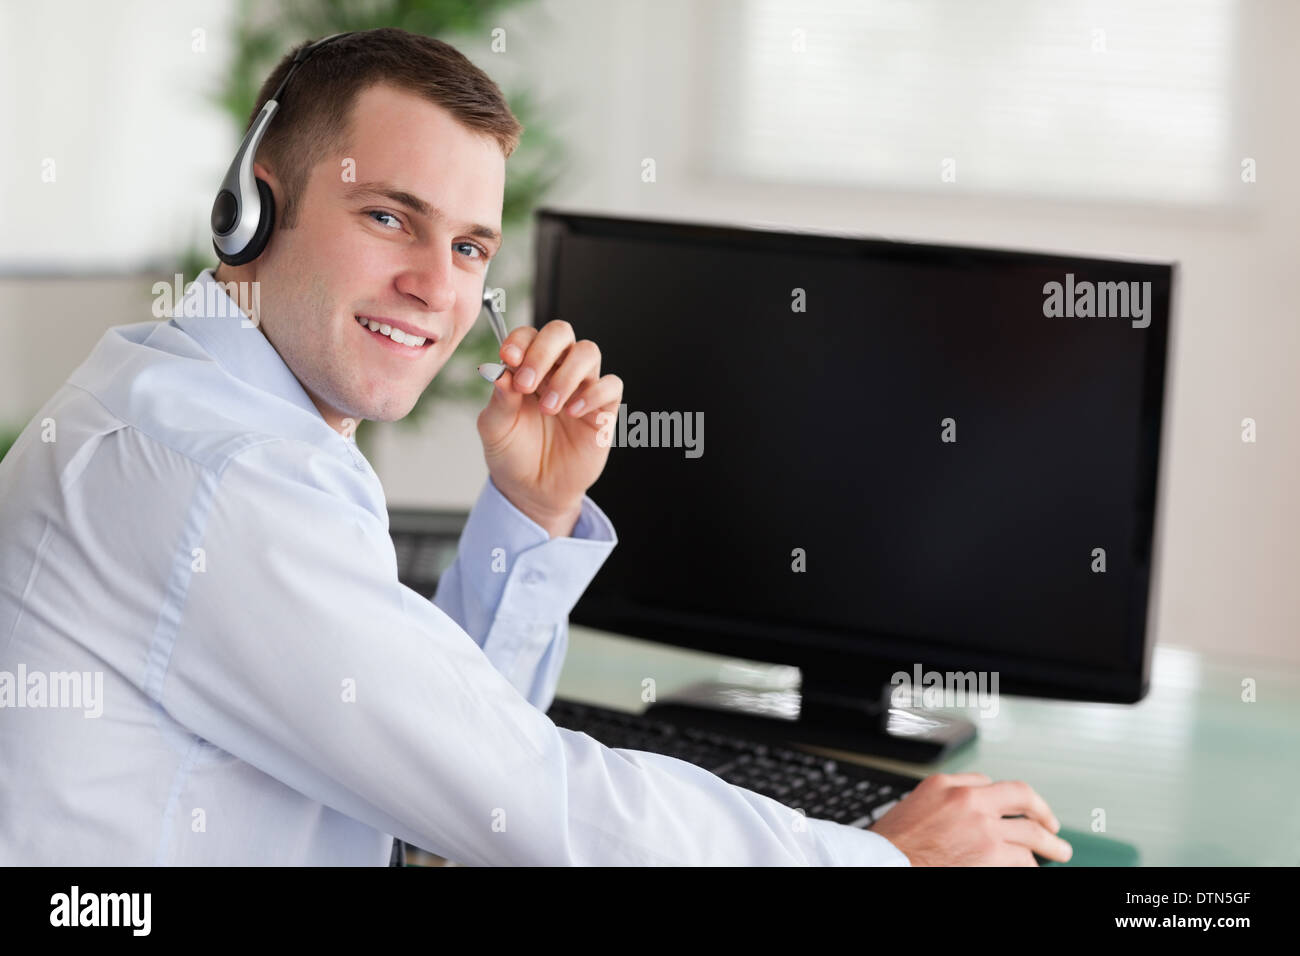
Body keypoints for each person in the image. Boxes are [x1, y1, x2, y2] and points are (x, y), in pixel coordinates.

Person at [0, 27, 1071, 866]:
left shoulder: (189, 401)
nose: (436, 283)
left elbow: (449, 758)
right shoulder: (221, 473)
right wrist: (877, 856)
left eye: (468, 245)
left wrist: (530, 506)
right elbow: (521, 800)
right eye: (388, 217)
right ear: (251, 207)